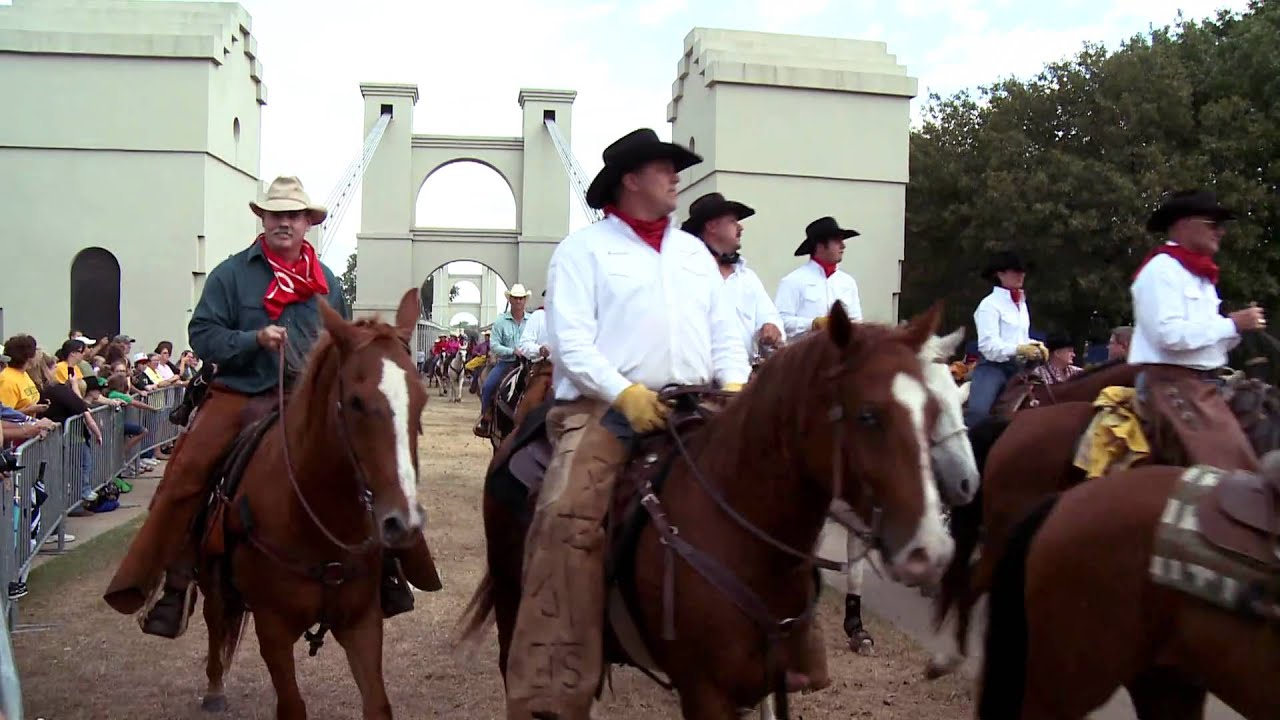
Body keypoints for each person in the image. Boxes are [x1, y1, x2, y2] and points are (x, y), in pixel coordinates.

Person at [103, 176, 441, 638]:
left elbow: (341, 348)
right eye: (276, 214)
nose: (285, 222)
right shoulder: (231, 274)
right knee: (187, 472)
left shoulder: (326, 282)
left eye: (294, 215)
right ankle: (171, 581)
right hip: (241, 394)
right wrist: (251, 339)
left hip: (306, 398)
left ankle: (391, 569)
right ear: (263, 219)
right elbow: (201, 334)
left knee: (373, 458)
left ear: (308, 223)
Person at [503, 128, 750, 719]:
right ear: (631, 180)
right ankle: (551, 688)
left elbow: (725, 335)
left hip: (700, 403)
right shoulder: (582, 250)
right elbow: (571, 343)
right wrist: (625, 393)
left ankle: (784, 645)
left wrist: (737, 386)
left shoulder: (695, 254)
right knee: (565, 513)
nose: (676, 177)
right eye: (665, 168)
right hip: (601, 408)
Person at [1130, 189, 1265, 470]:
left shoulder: (1200, 275)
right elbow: (1168, 336)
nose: (1221, 232)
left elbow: (1207, 342)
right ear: (1183, 224)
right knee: (1227, 466)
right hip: (1171, 384)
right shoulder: (1161, 270)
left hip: (1202, 383)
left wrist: (1239, 330)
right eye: (1214, 224)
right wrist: (1231, 324)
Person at [681, 192, 785, 362]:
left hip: (746, 377)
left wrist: (771, 327)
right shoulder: (688, 273)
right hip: (703, 378)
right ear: (712, 226)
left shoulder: (747, 277)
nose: (740, 227)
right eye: (732, 221)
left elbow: (770, 315)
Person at [963, 251, 1048, 427]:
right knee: (979, 412)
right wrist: (1019, 349)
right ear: (1000, 274)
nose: (1021, 275)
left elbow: (1020, 338)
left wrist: (1036, 346)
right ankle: (971, 449)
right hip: (994, 368)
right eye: (1015, 271)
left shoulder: (1021, 303)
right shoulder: (989, 305)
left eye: (1022, 271)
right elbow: (988, 346)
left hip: (1021, 367)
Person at [774, 216, 863, 338]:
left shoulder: (848, 282)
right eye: (837, 241)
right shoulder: (793, 281)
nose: (843, 246)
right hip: (806, 355)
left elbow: (857, 323)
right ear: (820, 245)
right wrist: (812, 324)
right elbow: (780, 322)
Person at [473, 284, 531, 438]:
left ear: (525, 300)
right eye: (515, 298)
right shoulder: (500, 321)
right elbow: (494, 345)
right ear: (510, 300)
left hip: (529, 363)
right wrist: (512, 351)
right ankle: (485, 418)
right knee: (488, 386)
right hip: (507, 363)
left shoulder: (532, 321)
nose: (518, 301)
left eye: (521, 298)